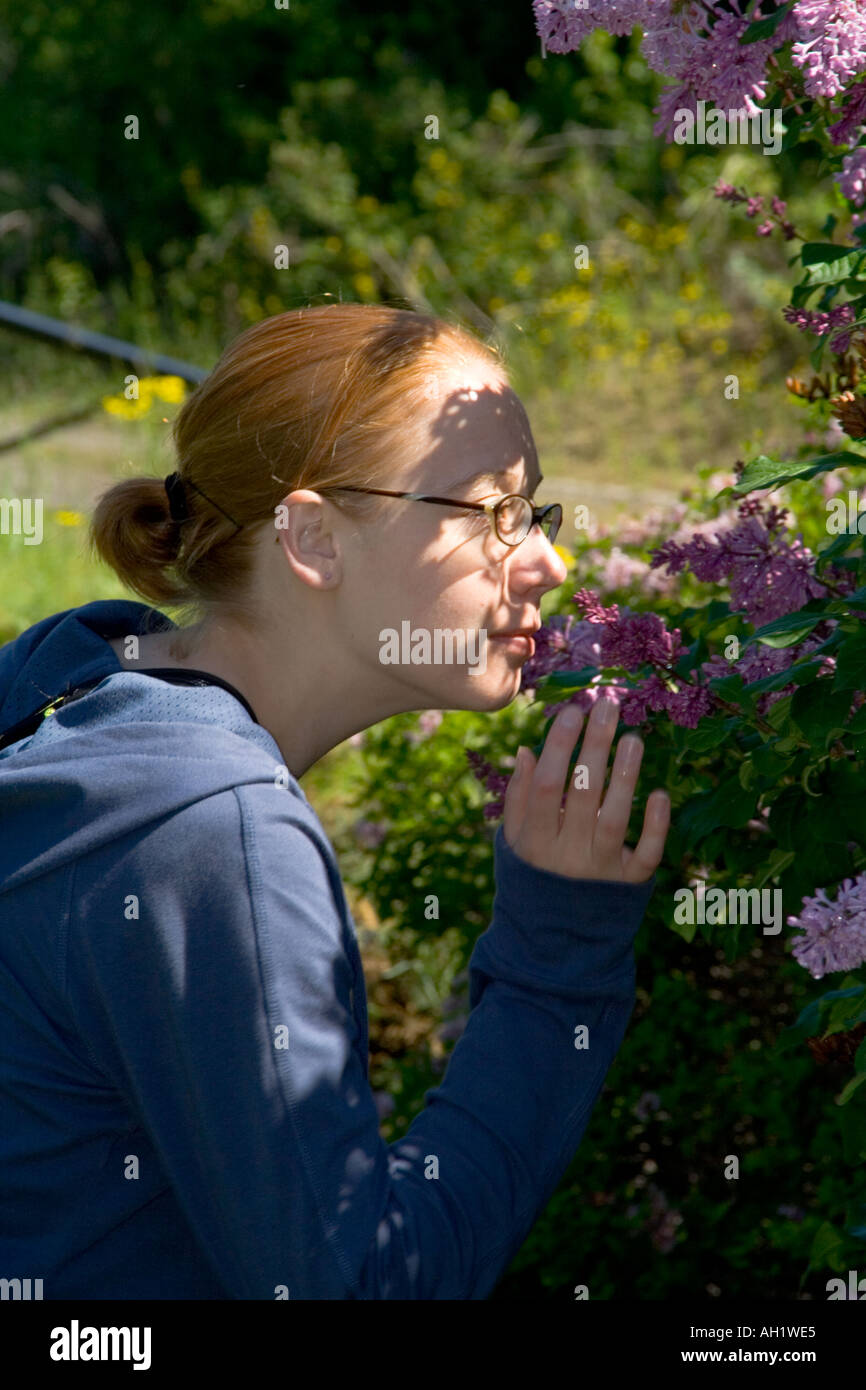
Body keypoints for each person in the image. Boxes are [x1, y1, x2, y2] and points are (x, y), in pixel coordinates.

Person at [0, 303, 670, 1299]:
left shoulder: (80, 675)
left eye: (533, 511)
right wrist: (556, 960)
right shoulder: (211, 831)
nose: (546, 563)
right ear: (311, 536)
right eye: (489, 511)